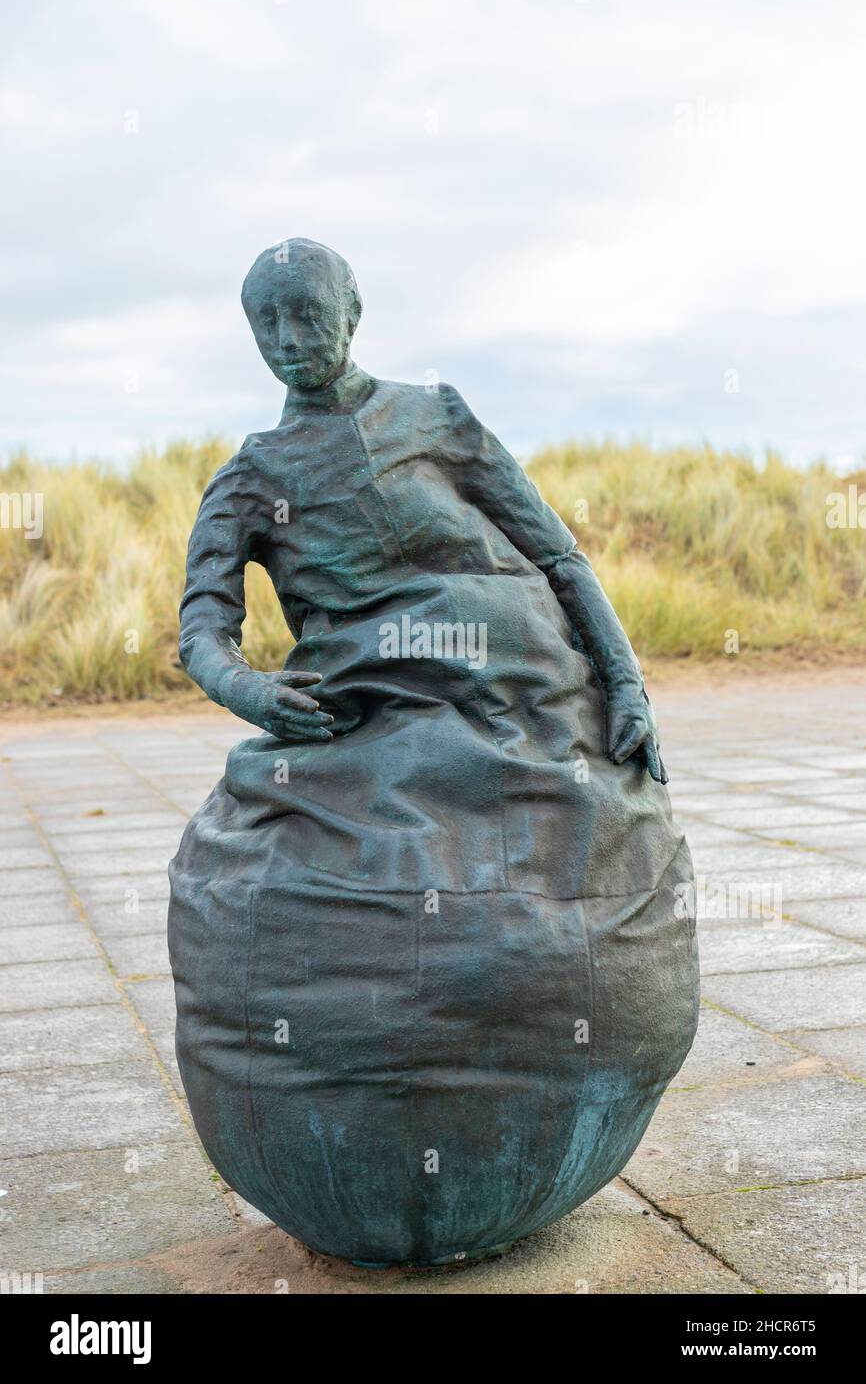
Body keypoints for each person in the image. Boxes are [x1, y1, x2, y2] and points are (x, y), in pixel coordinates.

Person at [169, 238, 698, 1266]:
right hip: (369, 716)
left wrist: (625, 683)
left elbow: (555, 552)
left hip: (538, 704)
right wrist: (251, 692)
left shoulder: (438, 417)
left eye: (306, 316)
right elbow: (203, 631)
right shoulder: (252, 476)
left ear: (352, 311)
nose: (288, 341)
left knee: (575, 882)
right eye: (266, 323)